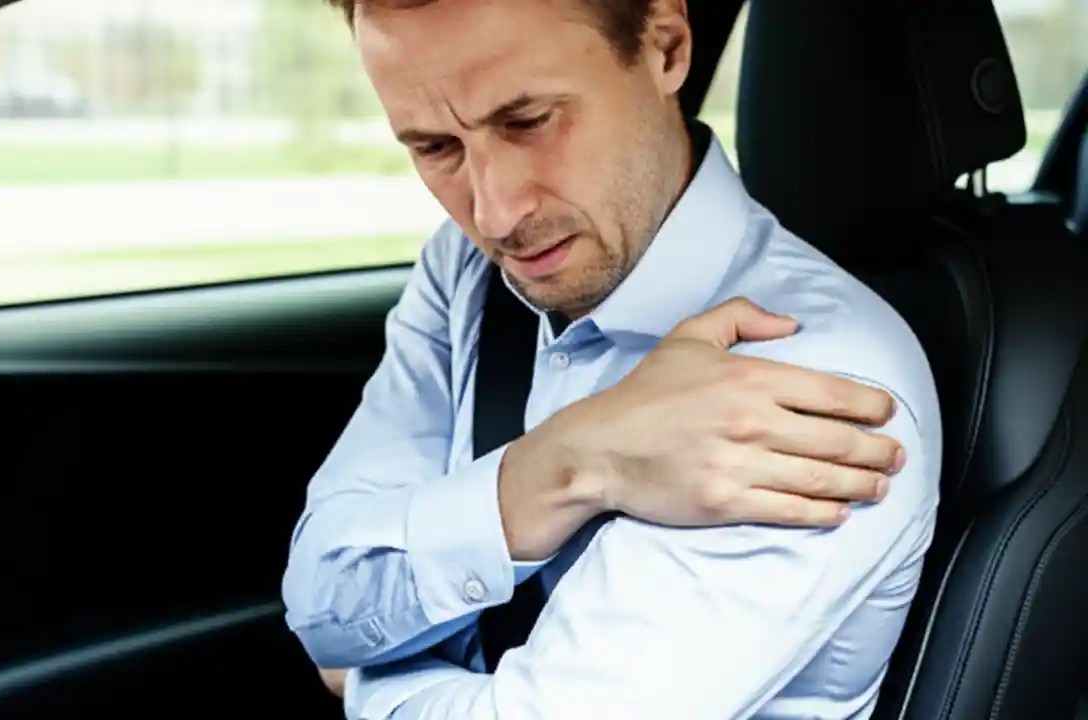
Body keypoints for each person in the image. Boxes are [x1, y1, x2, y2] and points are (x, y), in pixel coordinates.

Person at [281, 0, 942, 717]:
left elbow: (347, 650)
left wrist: (365, 678)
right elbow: (322, 601)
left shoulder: (810, 380)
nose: (495, 214)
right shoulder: (470, 278)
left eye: (529, 121)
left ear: (666, 45)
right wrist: (566, 465)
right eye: (436, 148)